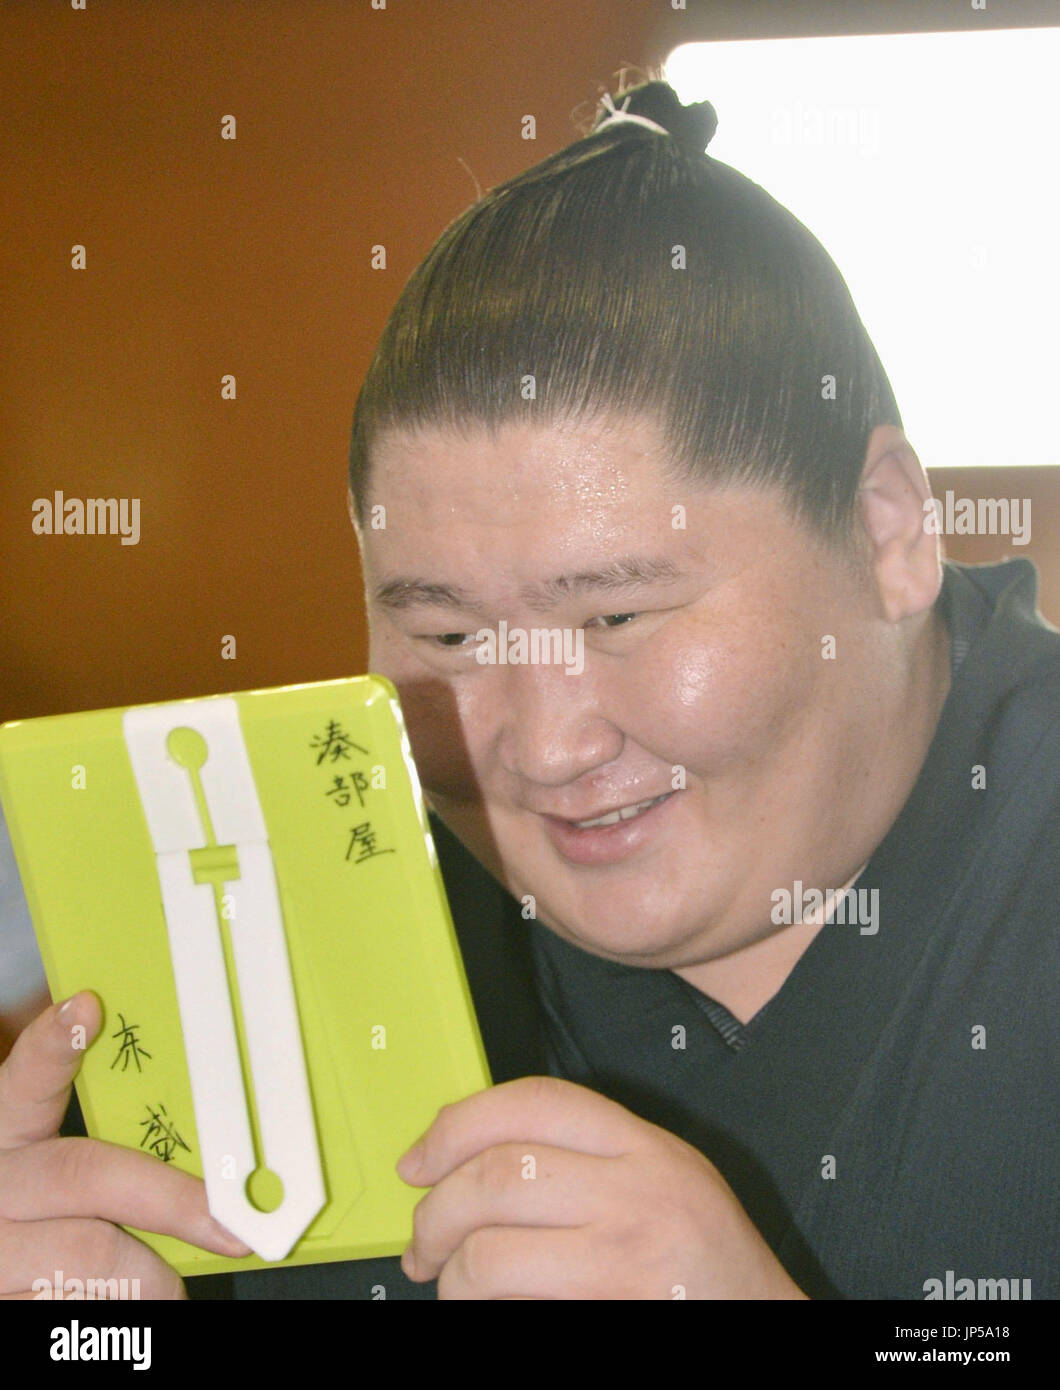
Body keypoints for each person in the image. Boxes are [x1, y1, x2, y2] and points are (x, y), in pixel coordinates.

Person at [1, 79, 1056, 1301]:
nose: (542, 748)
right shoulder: (260, 933)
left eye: (615, 615)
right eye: (447, 635)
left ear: (885, 532)